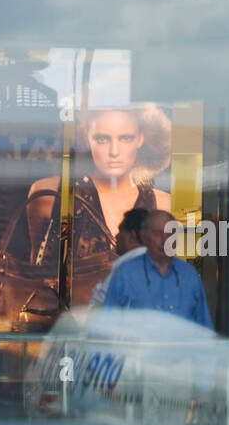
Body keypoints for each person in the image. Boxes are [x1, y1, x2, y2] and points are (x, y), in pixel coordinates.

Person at [25, 105, 172, 305]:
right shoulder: (49, 194)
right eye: (102, 139)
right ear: (88, 137)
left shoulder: (161, 203)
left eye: (125, 138)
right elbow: (36, 269)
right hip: (68, 327)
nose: (114, 151)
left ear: (141, 138)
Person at [101, 209, 212, 329]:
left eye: (170, 234)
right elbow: (105, 327)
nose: (165, 241)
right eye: (158, 234)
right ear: (144, 237)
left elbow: (204, 327)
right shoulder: (126, 273)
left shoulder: (189, 275)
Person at [89, 207, 148, 308]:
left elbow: (103, 310)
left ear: (132, 236)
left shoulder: (126, 268)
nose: (116, 236)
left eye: (121, 231)